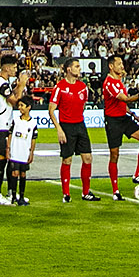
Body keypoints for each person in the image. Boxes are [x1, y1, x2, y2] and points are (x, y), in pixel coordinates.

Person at [102, 57, 139, 201]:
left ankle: (137, 173)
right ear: (111, 66)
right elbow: (124, 99)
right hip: (113, 121)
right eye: (119, 64)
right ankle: (115, 190)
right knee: (114, 155)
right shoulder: (109, 83)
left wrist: (131, 113)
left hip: (123, 118)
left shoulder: (118, 81)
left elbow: (121, 103)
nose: (122, 66)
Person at [50, 58, 96, 202]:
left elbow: (82, 106)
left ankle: (86, 192)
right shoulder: (60, 87)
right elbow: (51, 110)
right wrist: (59, 129)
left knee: (87, 158)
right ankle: (66, 194)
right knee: (67, 160)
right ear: (69, 69)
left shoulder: (83, 87)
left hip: (80, 125)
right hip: (66, 126)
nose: (79, 69)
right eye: (76, 66)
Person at [0, 55, 30, 205]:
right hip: (0, 125)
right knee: (2, 160)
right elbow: (14, 101)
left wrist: (19, 86)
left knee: (10, 159)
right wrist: (22, 85)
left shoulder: (4, 82)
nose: (15, 70)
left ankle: (11, 194)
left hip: (7, 124)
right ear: (6, 67)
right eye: (13, 67)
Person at [7, 99, 39, 205]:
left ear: (29, 107)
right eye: (19, 105)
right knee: (15, 173)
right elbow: (10, 134)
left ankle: (21, 196)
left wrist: (31, 152)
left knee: (23, 174)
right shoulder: (16, 121)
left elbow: (33, 139)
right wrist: (8, 148)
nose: (20, 107)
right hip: (15, 150)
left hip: (25, 151)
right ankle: (13, 196)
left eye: (22, 105)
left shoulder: (33, 123)